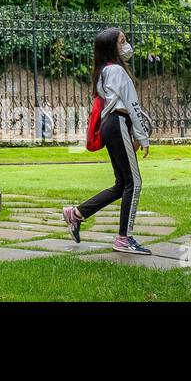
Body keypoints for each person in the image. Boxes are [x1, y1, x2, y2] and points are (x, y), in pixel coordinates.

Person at [62, 26, 153, 255]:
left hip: (111, 126)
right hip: (118, 123)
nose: (126, 45)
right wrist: (142, 136)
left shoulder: (103, 72)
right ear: (112, 47)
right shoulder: (117, 72)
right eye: (122, 41)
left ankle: (77, 213)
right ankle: (124, 239)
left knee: (122, 184)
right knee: (134, 182)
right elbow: (132, 106)